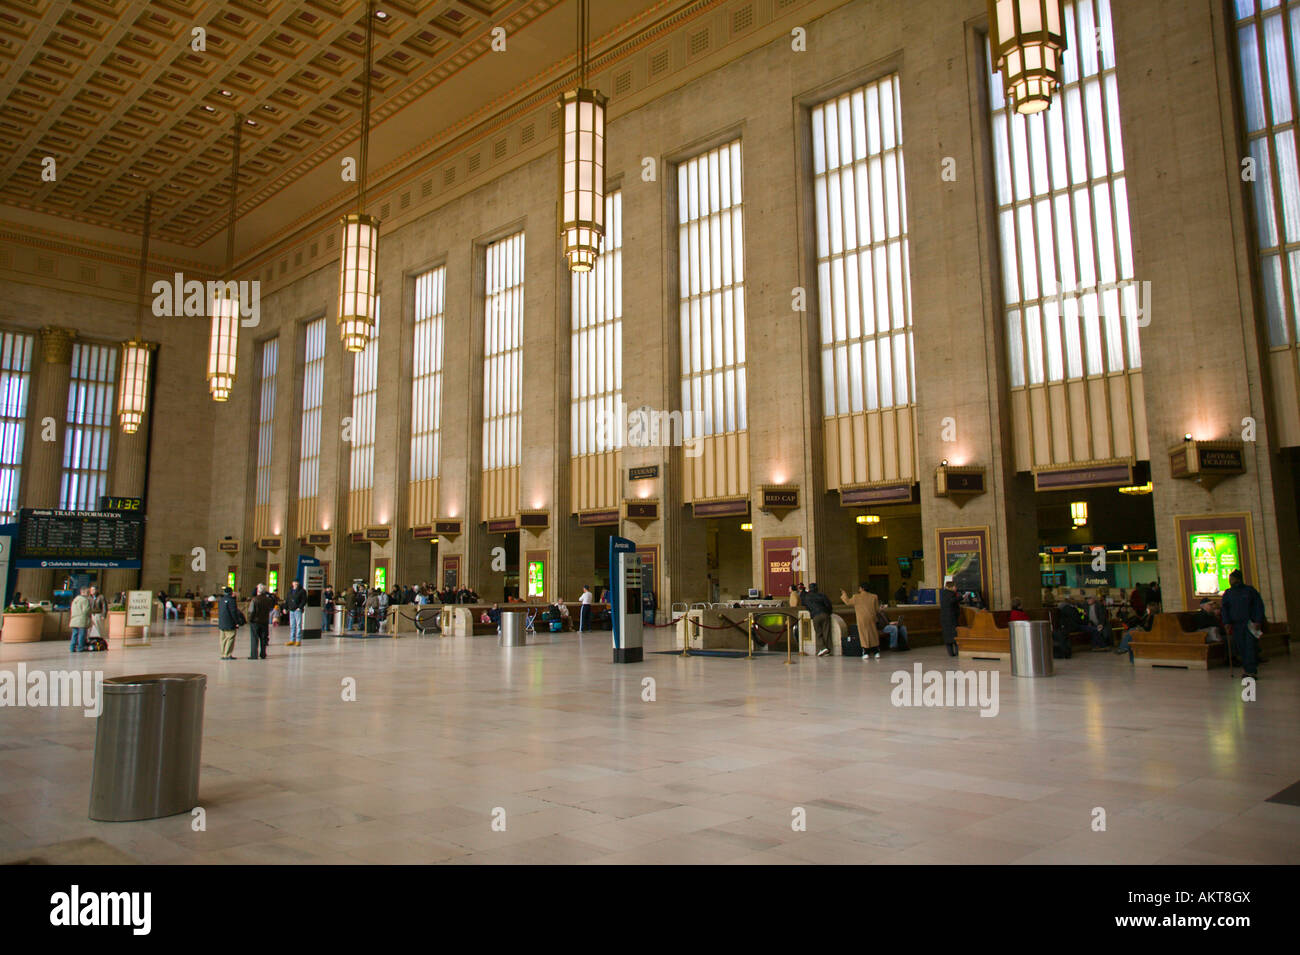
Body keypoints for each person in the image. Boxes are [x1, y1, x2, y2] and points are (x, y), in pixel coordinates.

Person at [1220, 569, 1265, 679]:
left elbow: (1258, 606)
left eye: (1232, 578)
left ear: (1238, 579)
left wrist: (1258, 620)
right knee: (1241, 647)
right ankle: (1246, 669)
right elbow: (1224, 609)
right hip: (1236, 624)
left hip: (1249, 623)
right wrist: (1226, 622)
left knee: (1250, 647)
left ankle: (1251, 671)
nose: (1230, 580)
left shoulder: (1249, 591)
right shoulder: (1228, 593)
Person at [840, 582, 881, 660]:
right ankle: (876, 652)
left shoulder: (856, 597)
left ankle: (866, 652)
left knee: (864, 634)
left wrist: (844, 594)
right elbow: (877, 609)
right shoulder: (874, 596)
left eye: (859, 588)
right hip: (872, 618)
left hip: (862, 619)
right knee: (873, 634)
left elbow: (848, 602)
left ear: (862, 588)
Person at [802, 583, 834, 657]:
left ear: (809, 589)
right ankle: (828, 649)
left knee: (818, 633)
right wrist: (828, 612)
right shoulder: (822, 595)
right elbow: (828, 605)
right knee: (826, 632)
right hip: (824, 614)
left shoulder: (807, 597)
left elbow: (805, 605)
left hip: (815, 615)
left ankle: (823, 648)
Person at [247, 583, 275, 659]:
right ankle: (263, 654)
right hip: (265, 621)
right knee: (263, 638)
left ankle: (254, 655)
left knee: (254, 638)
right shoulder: (268, 600)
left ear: (258, 591)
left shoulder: (255, 599)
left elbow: (251, 611)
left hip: (255, 621)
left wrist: (250, 619)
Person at [217, 586, 240, 660]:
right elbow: (233, 612)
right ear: (231, 592)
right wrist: (237, 622)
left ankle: (223, 654)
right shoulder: (231, 600)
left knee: (223, 639)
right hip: (230, 622)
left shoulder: (221, 600)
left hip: (222, 622)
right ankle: (227, 654)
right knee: (230, 638)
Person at [939, 578, 961, 656]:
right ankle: (957, 653)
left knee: (948, 637)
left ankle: (951, 653)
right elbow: (952, 601)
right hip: (951, 618)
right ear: (951, 587)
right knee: (955, 636)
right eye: (955, 586)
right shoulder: (949, 594)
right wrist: (961, 597)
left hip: (945, 618)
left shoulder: (944, 594)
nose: (956, 588)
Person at [68, 586, 91, 653]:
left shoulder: (75, 599)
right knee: (82, 634)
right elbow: (86, 610)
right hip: (81, 620)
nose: (88, 594)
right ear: (83, 592)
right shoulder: (84, 600)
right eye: (88, 592)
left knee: (74, 634)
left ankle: (72, 648)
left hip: (74, 619)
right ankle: (80, 648)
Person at [285, 579, 306, 646]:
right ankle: (292, 640)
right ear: (292, 583)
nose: (295, 584)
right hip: (291, 610)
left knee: (298, 625)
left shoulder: (302, 591)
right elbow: (287, 600)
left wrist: (300, 607)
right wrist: (285, 608)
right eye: (294, 582)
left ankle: (298, 640)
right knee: (292, 625)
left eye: (297, 582)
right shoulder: (290, 591)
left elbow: (304, 600)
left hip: (297, 610)